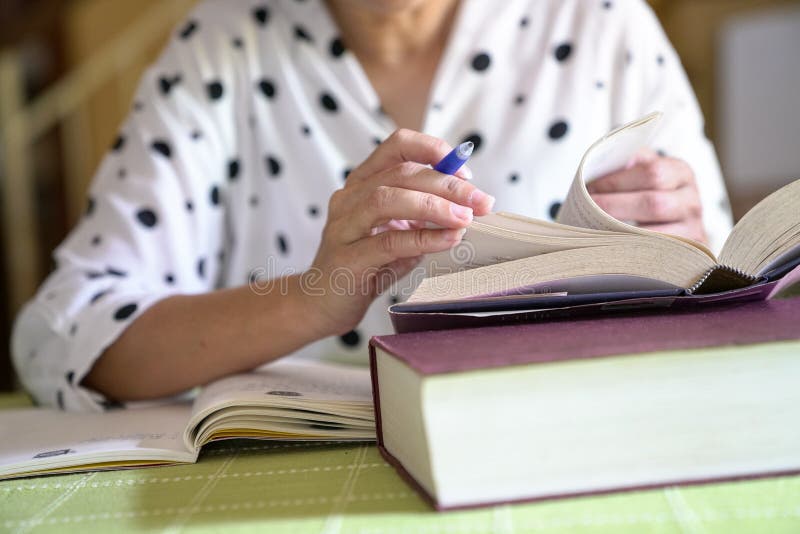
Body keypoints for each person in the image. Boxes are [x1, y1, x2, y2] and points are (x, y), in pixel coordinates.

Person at [12, 0, 732, 410]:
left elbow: (736, 296)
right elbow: (57, 337)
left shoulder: (601, 25)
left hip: (563, 443)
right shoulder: (219, 46)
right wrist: (311, 300)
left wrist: (689, 256)